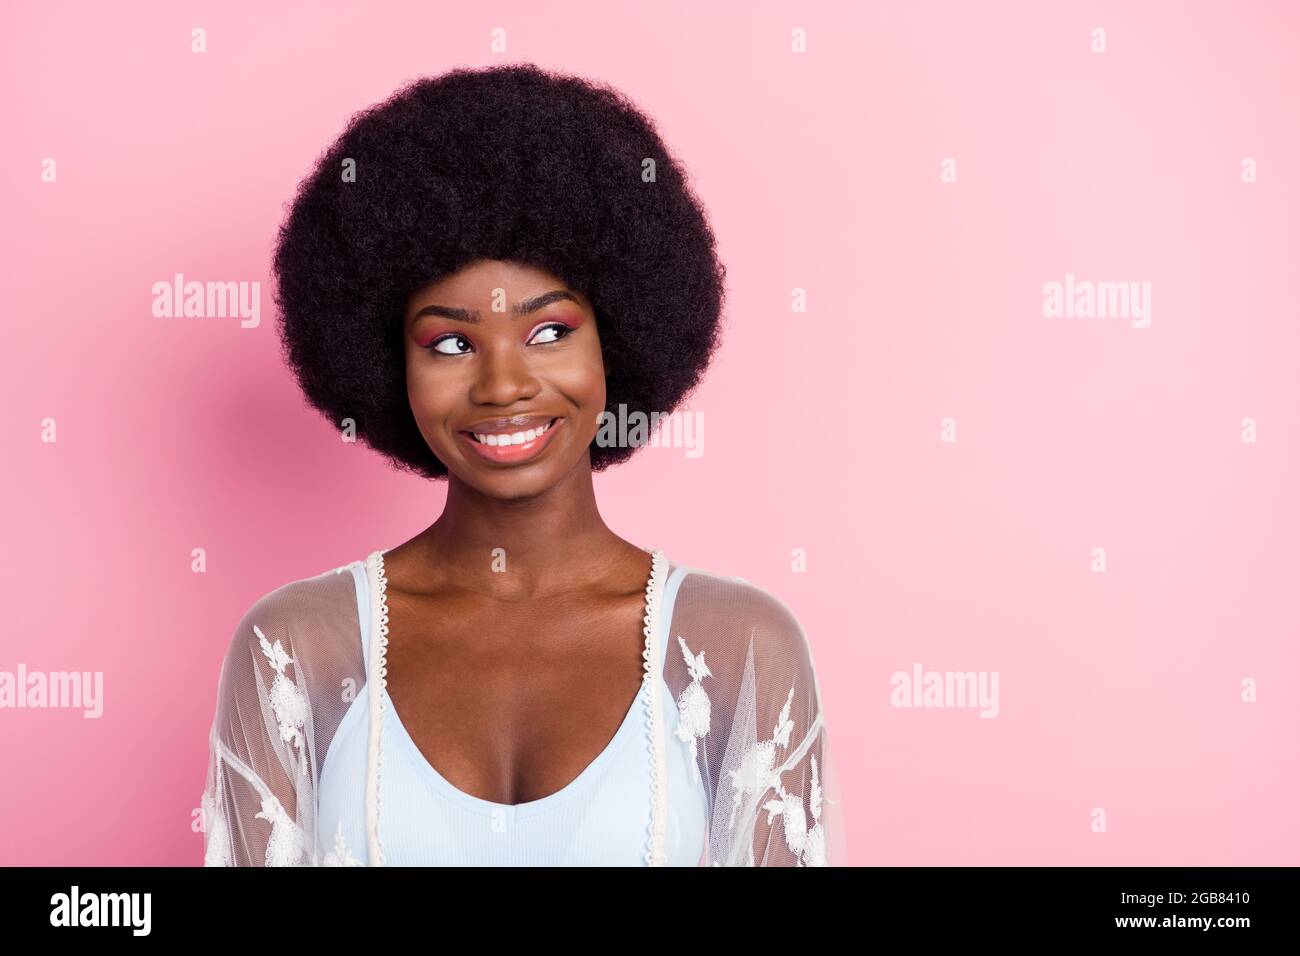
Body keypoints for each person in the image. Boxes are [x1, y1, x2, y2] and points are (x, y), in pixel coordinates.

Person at [199, 62, 845, 866]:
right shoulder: (295, 648)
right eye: (451, 343)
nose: (503, 384)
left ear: (619, 338)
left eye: (548, 333)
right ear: (387, 366)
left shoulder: (738, 647)